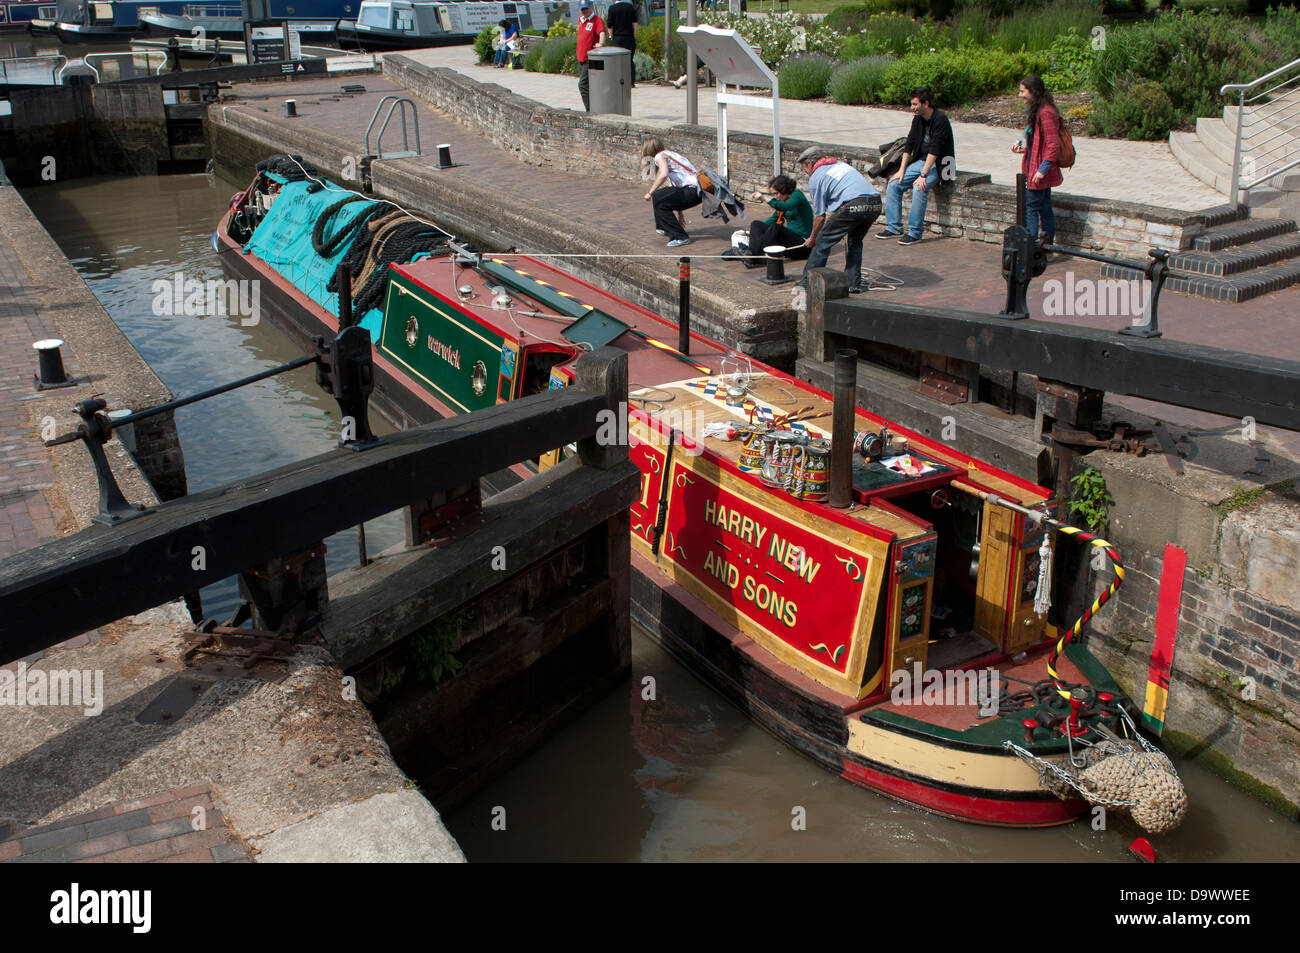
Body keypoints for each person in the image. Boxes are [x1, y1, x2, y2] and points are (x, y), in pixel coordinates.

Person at [797, 147, 881, 292]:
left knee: (822, 242)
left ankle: (807, 282)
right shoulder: (840, 165)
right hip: (875, 203)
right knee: (855, 241)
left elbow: (819, 217)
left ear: (809, 163)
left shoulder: (816, 178)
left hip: (854, 204)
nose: (804, 171)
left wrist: (812, 238)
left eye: (804, 167)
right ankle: (853, 283)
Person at [879, 86, 954, 246]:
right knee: (893, 184)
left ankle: (915, 232)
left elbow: (935, 150)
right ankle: (894, 227)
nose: (911, 108)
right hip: (922, 161)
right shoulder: (918, 119)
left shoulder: (940, 119)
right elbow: (909, 145)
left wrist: (923, 175)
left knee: (919, 187)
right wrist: (901, 170)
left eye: (914, 104)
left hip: (941, 164)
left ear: (926, 104)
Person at [1012, 74, 1064, 249]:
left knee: (1031, 207)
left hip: (1038, 172)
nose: (1020, 95)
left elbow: (1053, 144)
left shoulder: (1046, 112)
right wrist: (1024, 150)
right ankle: (1045, 247)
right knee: (1044, 208)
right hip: (1037, 168)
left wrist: (1042, 169)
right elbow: (1038, 144)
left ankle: (1031, 247)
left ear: (1033, 91)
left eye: (1022, 91)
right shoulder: (1039, 111)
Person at [731, 175, 812, 268]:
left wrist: (765, 198)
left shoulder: (797, 195)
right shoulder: (782, 202)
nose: (774, 197)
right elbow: (772, 219)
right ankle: (751, 254)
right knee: (756, 224)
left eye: (775, 193)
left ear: (784, 190)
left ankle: (752, 256)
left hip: (802, 245)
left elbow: (787, 206)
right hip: (789, 244)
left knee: (776, 228)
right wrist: (757, 233)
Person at [642, 137, 702, 247]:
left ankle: (680, 237)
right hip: (693, 189)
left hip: (693, 190)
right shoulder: (669, 154)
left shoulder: (659, 156)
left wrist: (650, 192)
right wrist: (680, 213)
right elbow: (677, 187)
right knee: (659, 196)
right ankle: (663, 226)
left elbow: (664, 174)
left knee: (661, 204)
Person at [576, 0, 607, 112]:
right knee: (589, 86)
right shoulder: (581, 19)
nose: (584, 11)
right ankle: (595, 107)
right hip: (581, 58)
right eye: (582, 9)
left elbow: (602, 33)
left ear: (591, 7)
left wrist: (601, 43)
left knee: (582, 85)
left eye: (586, 8)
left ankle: (590, 110)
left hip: (590, 59)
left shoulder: (597, 20)